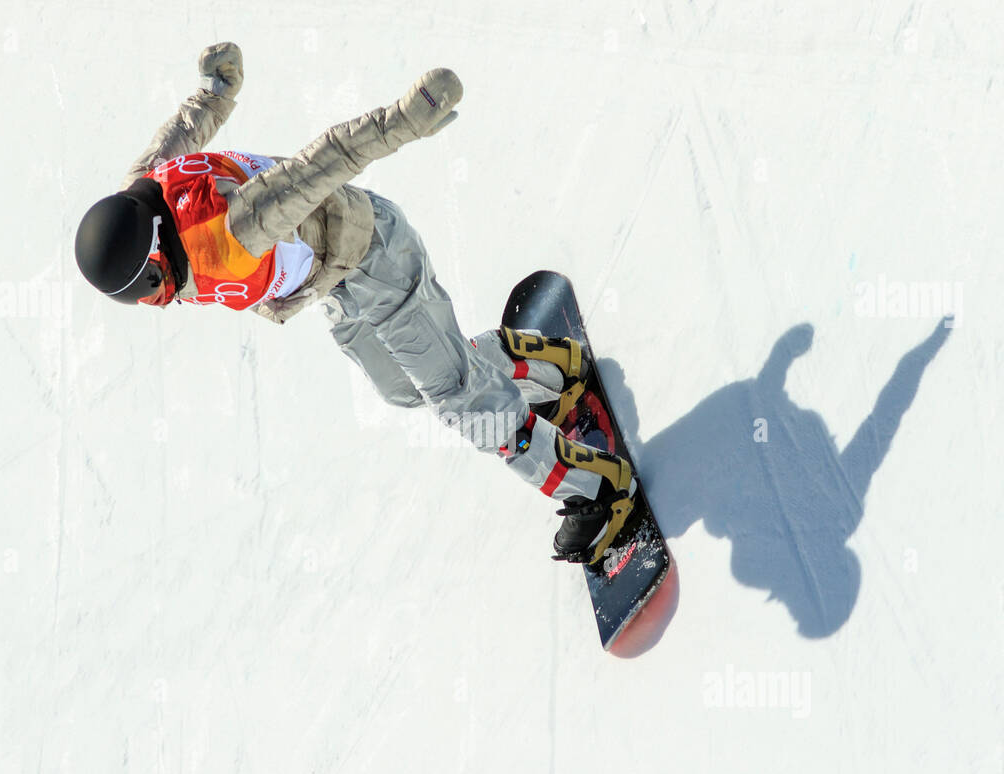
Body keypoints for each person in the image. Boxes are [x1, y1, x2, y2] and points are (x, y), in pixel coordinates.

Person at [74, 42, 635, 564]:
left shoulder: (235, 227)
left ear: (153, 253)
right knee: (401, 389)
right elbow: (184, 130)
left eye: (148, 288)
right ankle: (547, 369)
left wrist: (405, 120)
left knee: (458, 401)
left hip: (377, 256)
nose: (157, 302)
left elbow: (325, 161)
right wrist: (217, 90)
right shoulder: (140, 191)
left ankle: (599, 489)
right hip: (335, 283)